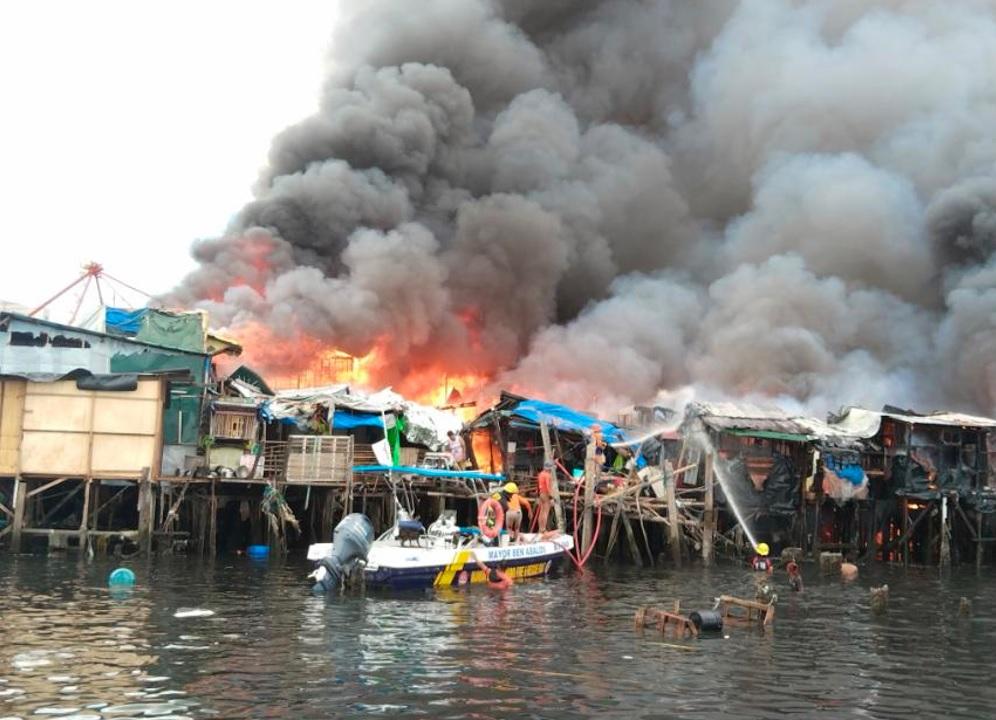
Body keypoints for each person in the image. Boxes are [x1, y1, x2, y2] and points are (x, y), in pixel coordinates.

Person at [536, 463, 554, 533]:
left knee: (542, 511)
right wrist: (551, 496)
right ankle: (543, 529)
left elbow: (537, 485)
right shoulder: (548, 475)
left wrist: (538, 494)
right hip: (546, 494)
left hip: (541, 493)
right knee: (546, 512)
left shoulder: (540, 474)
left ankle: (540, 528)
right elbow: (548, 486)